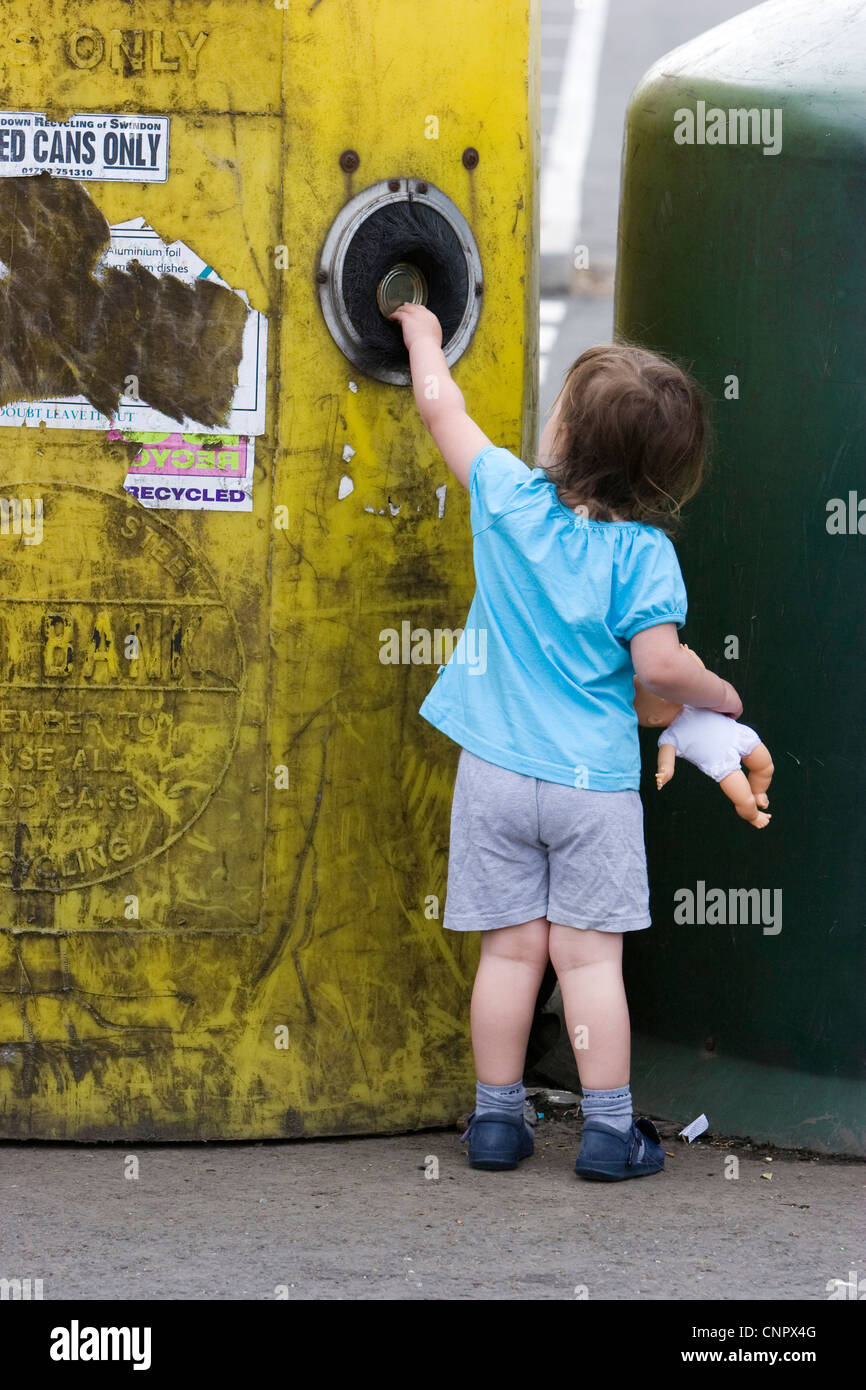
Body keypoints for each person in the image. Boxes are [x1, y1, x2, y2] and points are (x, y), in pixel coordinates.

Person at [389, 303, 742, 1181]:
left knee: (508, 953)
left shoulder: (508, 498)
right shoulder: (645, 554)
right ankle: (608, 1134)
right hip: (592, 787)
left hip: (496, 774)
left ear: (565, 432)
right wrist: (720, 694)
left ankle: (498, 1123)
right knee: (588, 964)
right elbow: (660, 666)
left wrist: (424, 337)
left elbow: (441, 408)